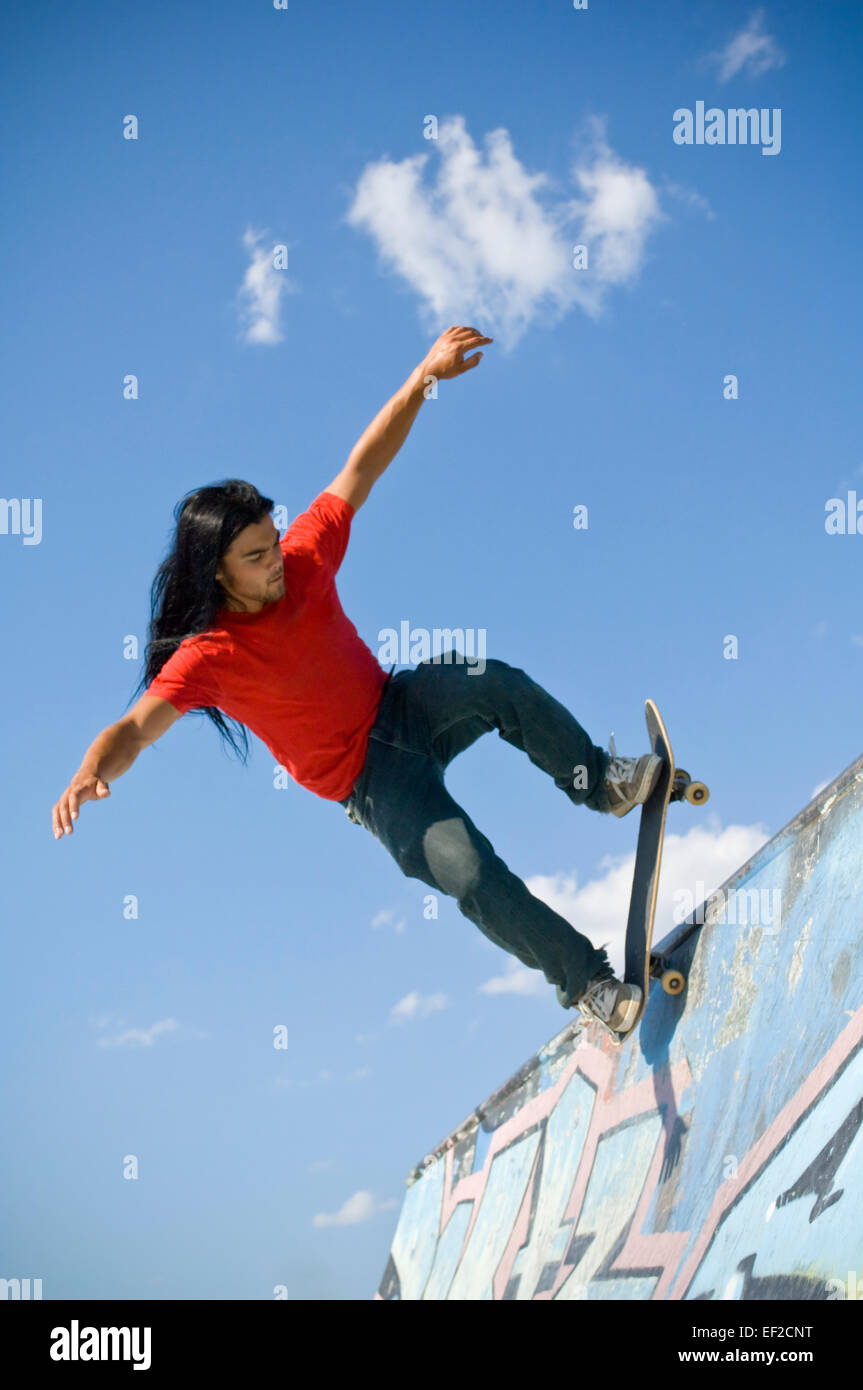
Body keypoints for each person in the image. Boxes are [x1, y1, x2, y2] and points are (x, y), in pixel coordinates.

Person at [51, 326, 660, 1036]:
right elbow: (134, 729)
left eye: (272, 543)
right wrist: (92, 771)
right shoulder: (207, 657)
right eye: (256, 557)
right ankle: (587, 982)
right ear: (218, 572)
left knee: (490, 679)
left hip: (404, 706)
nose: (276, 562)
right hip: (370, 785)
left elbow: (362, 466)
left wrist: (424, 377)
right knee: (467, 872)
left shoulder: (304, 556)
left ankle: (599, 781)